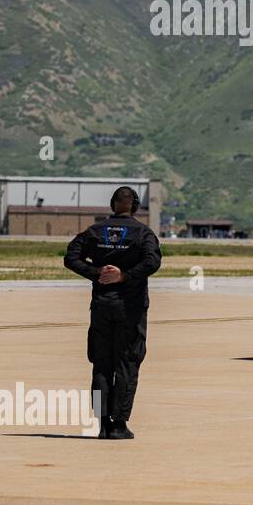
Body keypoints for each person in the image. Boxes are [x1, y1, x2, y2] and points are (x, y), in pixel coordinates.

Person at [63, 186, 163, 439]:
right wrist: (125, 276)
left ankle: (102, 424)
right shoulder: (143, 233)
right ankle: (118, 425)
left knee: (101, 364)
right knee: (127, 363)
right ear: (135, 206)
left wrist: (97, 272)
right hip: (130, 309)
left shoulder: (94, 232)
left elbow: (71, 257)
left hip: (101, 307)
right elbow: (152, 262)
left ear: (112, 204)